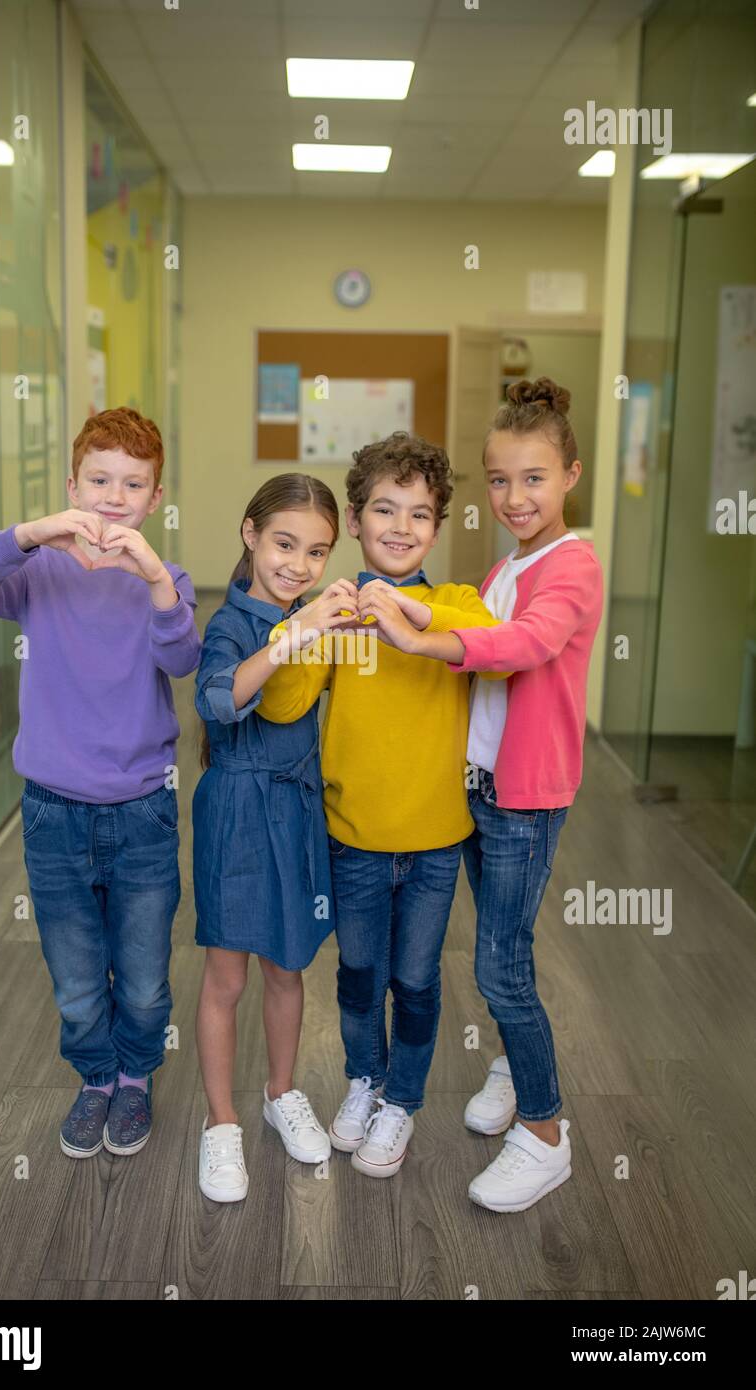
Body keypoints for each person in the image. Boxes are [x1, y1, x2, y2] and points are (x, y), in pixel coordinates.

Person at [363, 378, 603, 1211]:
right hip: (479, 788)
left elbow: (524, 645)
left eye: (534, 478)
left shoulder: (572, 565)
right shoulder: (507, 565)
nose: (514, 496)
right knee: (506, 946)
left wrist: (413, 633)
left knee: (499, 968)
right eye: (499, 480)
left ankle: (544, 1132)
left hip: (524, 800)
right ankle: (513, 1060)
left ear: (571, 474)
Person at [0, 406, 200, 1159]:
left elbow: (182, 661)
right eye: (98, 480)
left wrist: (153, 575)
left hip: (143, 810)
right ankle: (96, 1077)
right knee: (78, 975)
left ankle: (136, 1078)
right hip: (53, 813)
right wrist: (29, 534)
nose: (113, 498)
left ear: (155, 499)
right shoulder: (37, 573)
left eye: (133, 484)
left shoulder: (168, 580)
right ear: (71, 486)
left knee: (146, 976)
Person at [258, 434, 502, 1179]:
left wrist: (407, 614)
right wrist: (305, 623)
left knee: (418, 980)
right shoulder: (337, 619)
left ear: (437, 529)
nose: (401, 525)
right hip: (354, 840)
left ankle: (403, 1099)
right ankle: (365, 1079)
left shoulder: (455, 605)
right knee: (360, 975)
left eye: (420, 514)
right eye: (384, 510)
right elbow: (279, 705)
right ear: (356, 523)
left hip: (433, 845)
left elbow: (494, 641)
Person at [193, 473, 359, 1202]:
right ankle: (221, 1123)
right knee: (227, 979)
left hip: (295, 813)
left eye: (317, 552)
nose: (298, 563)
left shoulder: (317, 619)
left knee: (288, 969)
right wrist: (300, 630)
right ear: (250, 533)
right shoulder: (232, 624)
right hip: (234, 810)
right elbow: (218, 701)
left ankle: (280, 1093)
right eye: (285, 543)